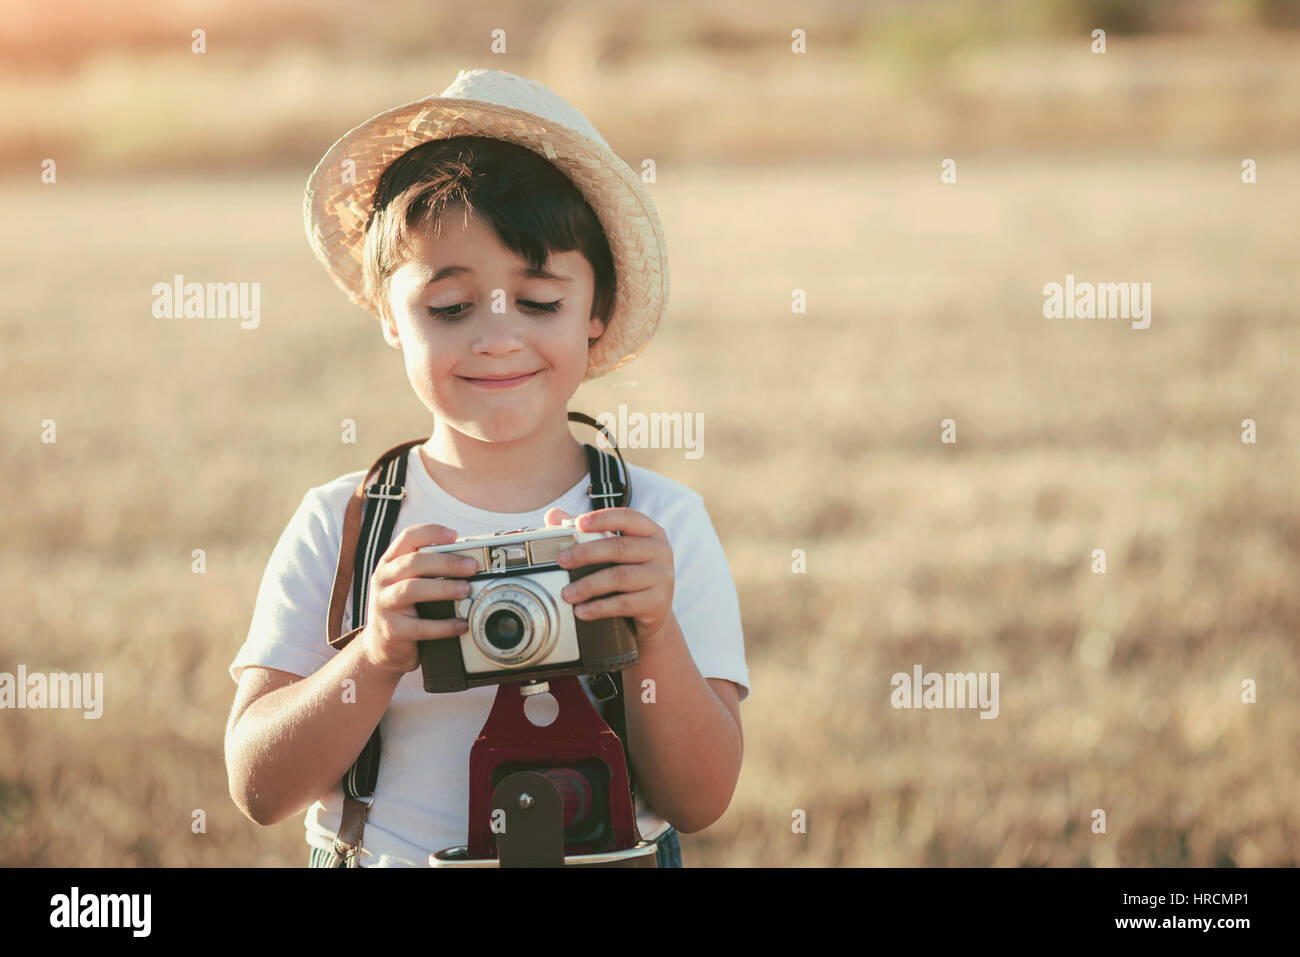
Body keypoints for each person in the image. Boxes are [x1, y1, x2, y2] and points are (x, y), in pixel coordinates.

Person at [223, 68, 750, 867]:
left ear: (596, 313)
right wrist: (373, 655)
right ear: (389, 317)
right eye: (450, 308)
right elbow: (259, 788)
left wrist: (654, 631)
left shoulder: (659, 524)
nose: (497, 337)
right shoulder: (344, 526)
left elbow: (701, 799)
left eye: (539, 303)